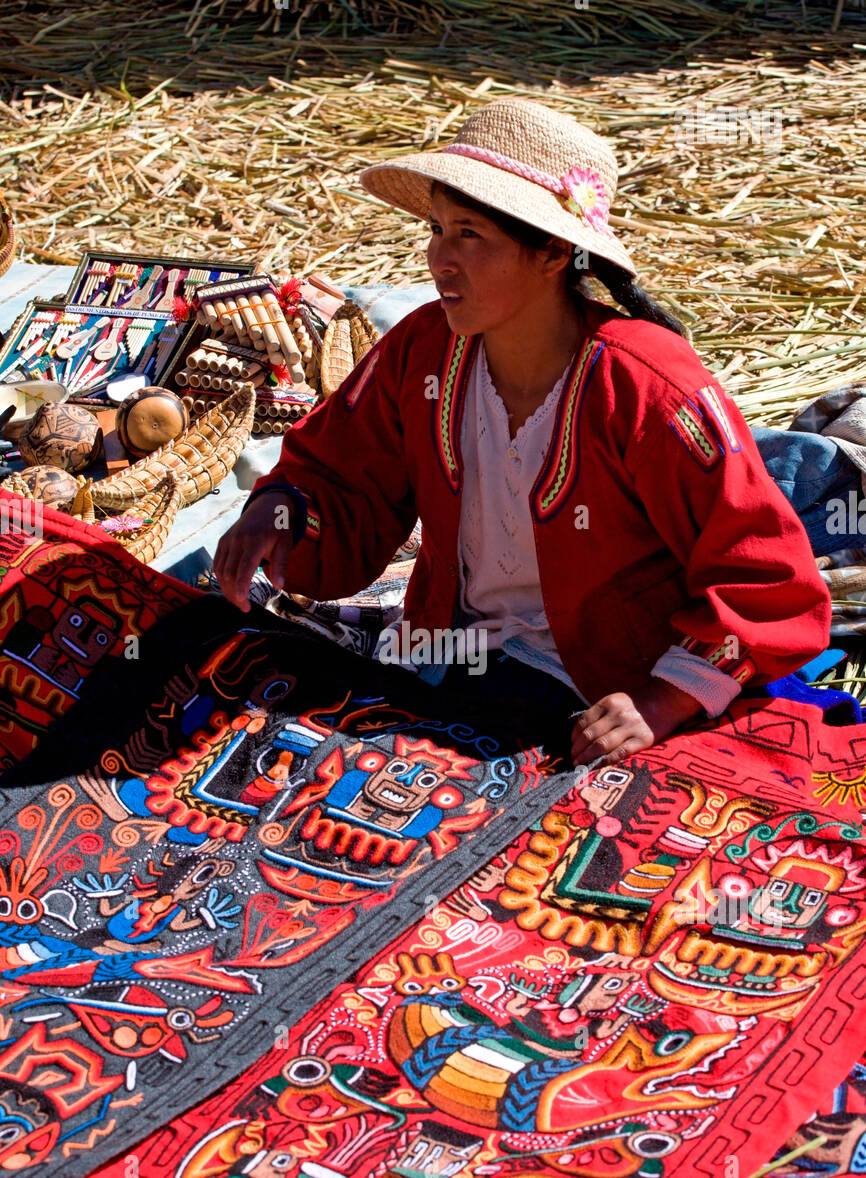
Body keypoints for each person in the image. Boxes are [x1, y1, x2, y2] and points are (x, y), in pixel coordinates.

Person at [214, 98, 831, 769]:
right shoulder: (424, 350)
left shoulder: (648, 386)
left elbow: (767, 576)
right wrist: (281, 508)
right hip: (450, 650)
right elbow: (339, 468)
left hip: (600, 681)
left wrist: (658, 703)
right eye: (436, 229)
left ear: (554, 252)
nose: (439, 260)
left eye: (470, 235)